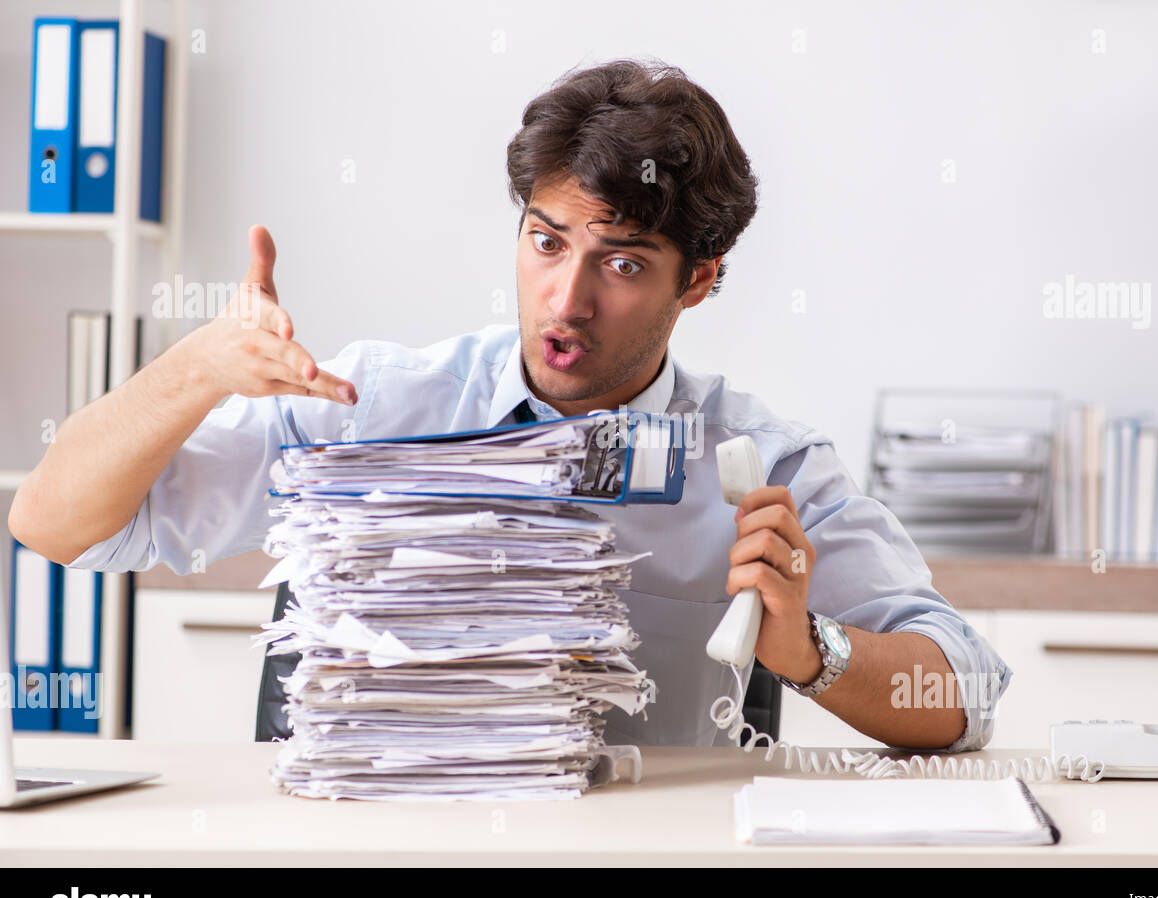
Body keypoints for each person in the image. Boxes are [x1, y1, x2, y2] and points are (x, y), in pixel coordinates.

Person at [9, 58, 1010, 750]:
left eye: (621, 262)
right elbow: (56, 526)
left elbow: (962, 692)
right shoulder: (367, 405)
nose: (566, 300)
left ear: (699, 280)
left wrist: (811, 650)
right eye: (546, 242)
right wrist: (195, 372)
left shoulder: (762, 467)